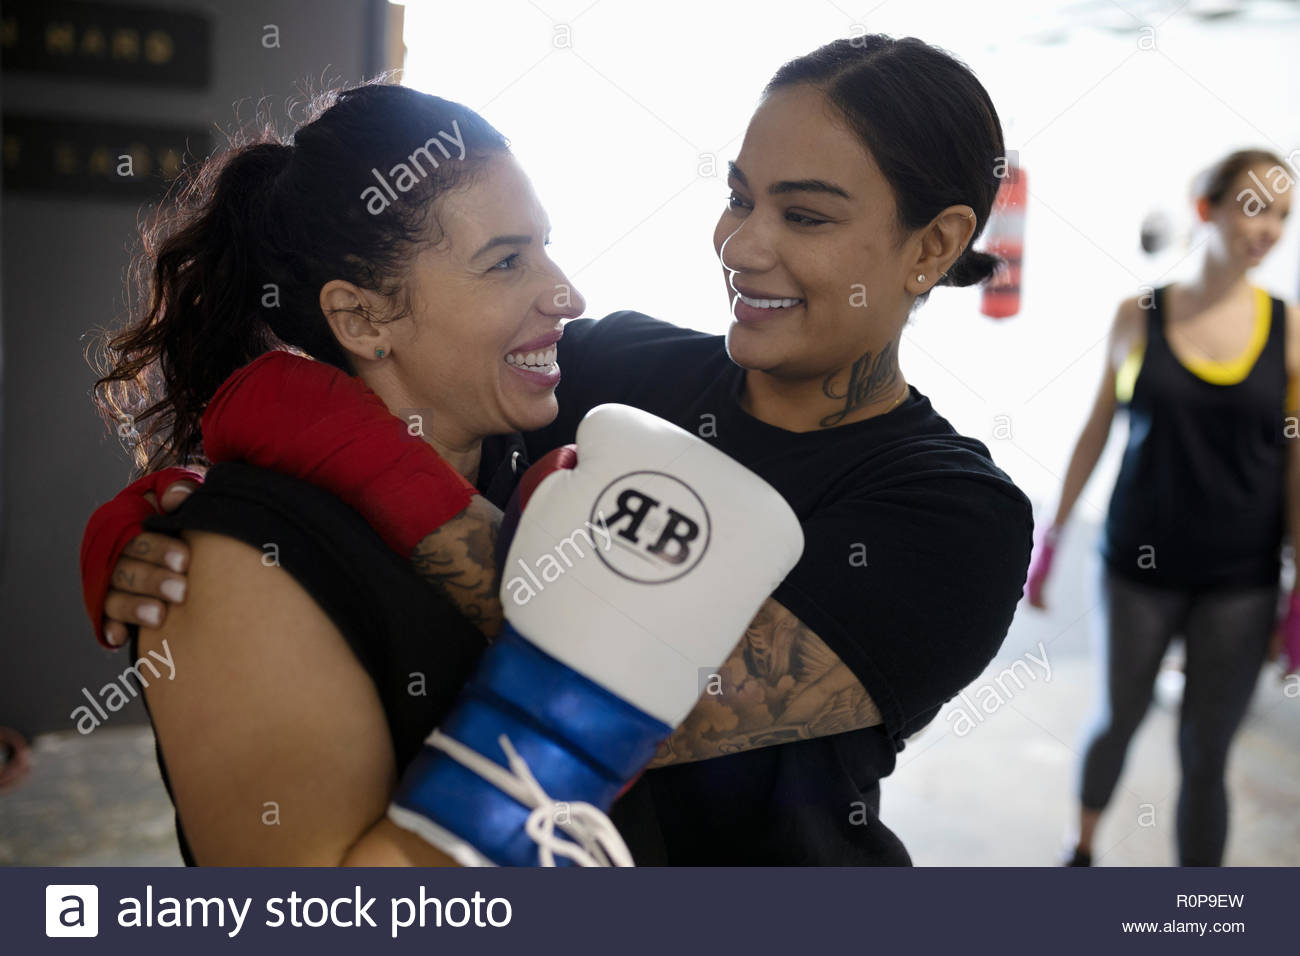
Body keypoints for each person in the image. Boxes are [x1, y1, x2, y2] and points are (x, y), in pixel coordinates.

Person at [89, 35, 1035, 865]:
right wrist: (193, 505)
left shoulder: (953, 516)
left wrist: (351, 448)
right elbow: (423, 366)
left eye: (807, 215)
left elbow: (659, 705)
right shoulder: (600, 371)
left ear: (932, 245)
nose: (743, 245)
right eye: (740, 197)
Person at [1024, 148, 1299, 866]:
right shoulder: (1138, 316)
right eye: (1254, 207)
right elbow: (1094, 432)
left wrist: (1297, 585)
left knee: (1206, 751)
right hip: (1137, 565)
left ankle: (1197, 909)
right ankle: (1080, 849)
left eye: (1282, 215)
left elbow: (1298, 462)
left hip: (1240, 576)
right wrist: (1050, 541)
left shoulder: (1290, 330)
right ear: (1207, 209)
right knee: (1118, 718)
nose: (1268, 228)